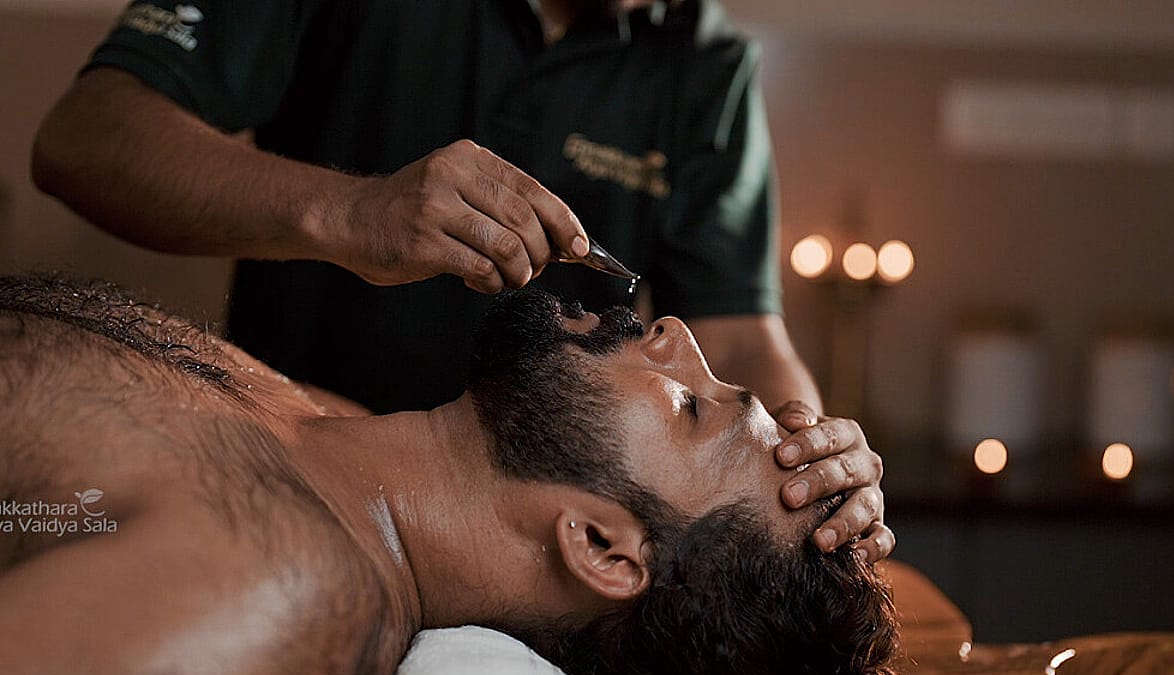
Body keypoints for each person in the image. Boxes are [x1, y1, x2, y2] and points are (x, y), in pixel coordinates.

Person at [31, 0, 894, 560]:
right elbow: (84, 138)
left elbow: (739, 329)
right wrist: (350, 213)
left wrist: (807, 466)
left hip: (521, 562)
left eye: (694, 398)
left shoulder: (707, 66)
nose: (663, 333)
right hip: (277, 491)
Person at [0, 275, 917, 675]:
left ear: (599, 546)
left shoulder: (258, 610)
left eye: (689, 407)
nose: (676, 331)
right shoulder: (327, 434)